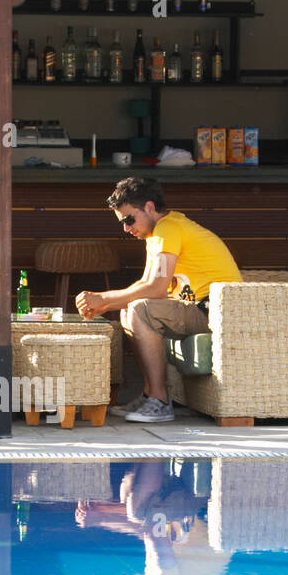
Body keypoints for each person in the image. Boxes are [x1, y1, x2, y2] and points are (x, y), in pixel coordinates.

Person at [75, 176, 242, 423]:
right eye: (122, 222)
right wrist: (107, 305)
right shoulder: (156, 233)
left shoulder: (168, 228)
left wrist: (103, 297)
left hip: (218, 312)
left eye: (129, 219)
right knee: (128, 311)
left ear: (150, 208)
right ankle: (149, 394)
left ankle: (160, 401)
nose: (126, 228)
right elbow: (147, 284)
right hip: (198, 308)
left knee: (139, 311)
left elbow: (156, 288)